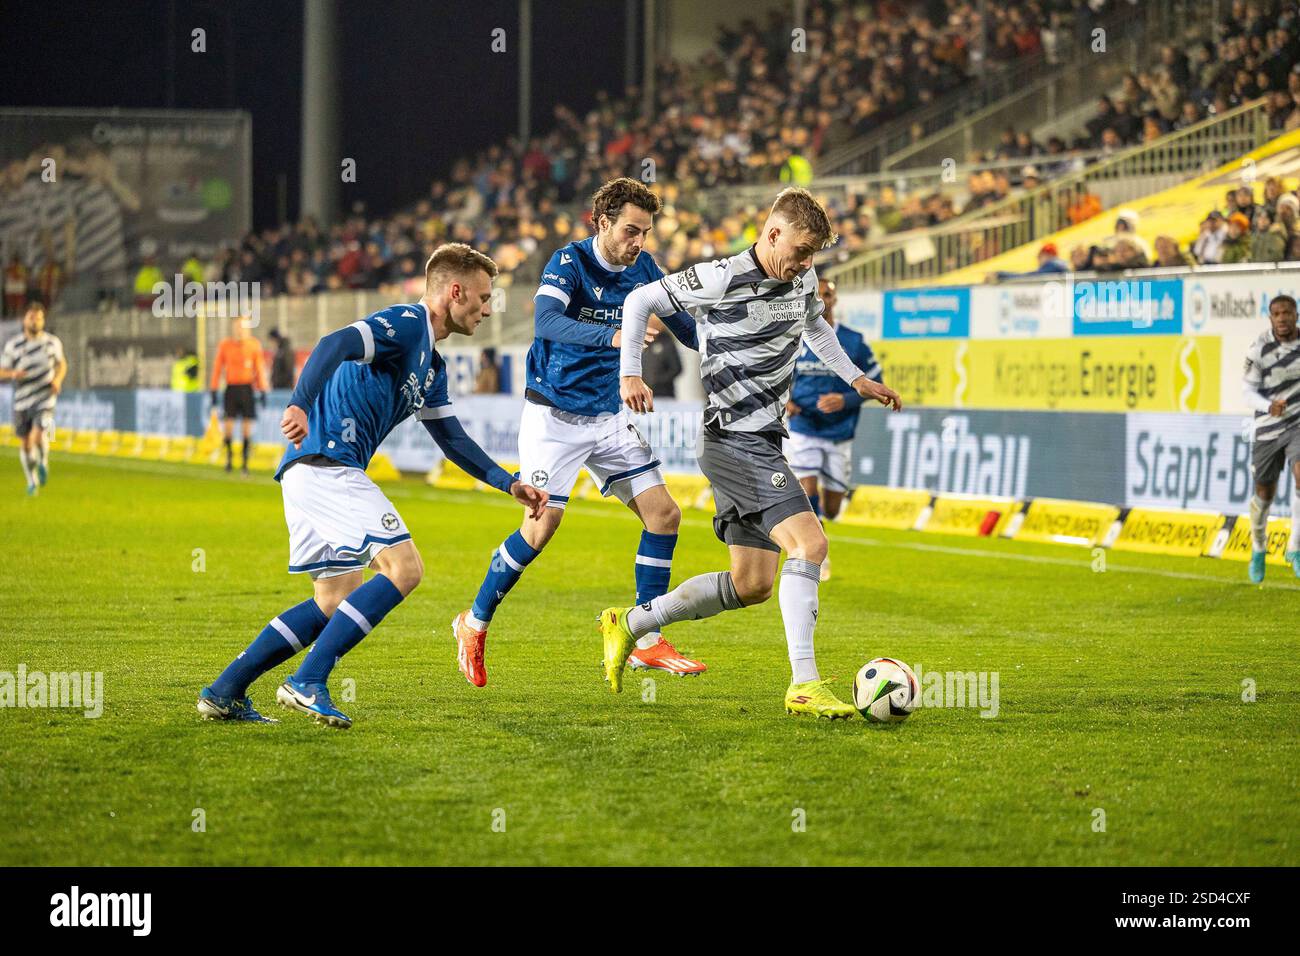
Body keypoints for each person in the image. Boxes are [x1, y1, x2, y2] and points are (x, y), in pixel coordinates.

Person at [196, 243, 547, 727]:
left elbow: (451, 439)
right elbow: (334, 344)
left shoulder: (433, 366)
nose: (488, 310)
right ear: (455, 291)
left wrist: (508, 483)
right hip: (328, 465)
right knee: (404, 568)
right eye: (483, 299)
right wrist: (300, 403)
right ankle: (307, 680)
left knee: (334, 599)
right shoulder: (407, 323)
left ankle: (225, 690)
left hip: (310, 471)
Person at [601, 187, 902, 719]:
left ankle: (630, 623)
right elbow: (639, 299)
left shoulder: (802, 278)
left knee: (753, 583)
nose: (806, 264)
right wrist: (630, 371)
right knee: (810, 546)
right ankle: (804, 684)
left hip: (763, 440)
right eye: (801, 251)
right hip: (733, 438)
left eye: (813, 256)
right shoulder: (720, 276)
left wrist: (856, 379)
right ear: (772, 234)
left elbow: (814, 326)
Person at [454, 178, 705, 685]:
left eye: (646, 233)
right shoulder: (568, 263)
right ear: (602, 222)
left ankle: (646, 638)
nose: (638, 243)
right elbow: (545, 322)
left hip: (608, 417)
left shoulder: (645, 268)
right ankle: (473, 623)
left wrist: (734, 347)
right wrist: (613, 335)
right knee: (541, 527)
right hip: (554, 416)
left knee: (664, 515)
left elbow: (685, 328)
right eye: (631, 231)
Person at [784, 277, 882, 581]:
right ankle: (816, 551)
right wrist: (785, 400)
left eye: (827, 295)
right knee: (807, 488)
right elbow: (776, 374)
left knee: (833, 506)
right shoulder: (794, 337)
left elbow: (873, 384)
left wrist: (845, 399)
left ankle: (819, 529)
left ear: (835, 300)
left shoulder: (853, 341)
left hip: (839, 433)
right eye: (818, 294)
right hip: (803, 427)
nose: (823, 300)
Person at [1243, 294, 1300, 583]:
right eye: (1276, 314)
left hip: (1297, 423)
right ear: (1270, 318)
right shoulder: (1259, 348)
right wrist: (1268, 406)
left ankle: (1295, 547)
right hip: (1267, 426)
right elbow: (1247, 391)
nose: (1282, 318)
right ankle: (1258, 547)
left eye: (1286, 313)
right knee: (1264, 494)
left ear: (1296, 314)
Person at [0, 303, 66, 495]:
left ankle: (43, 461)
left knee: (39, 434)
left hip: (45, 397)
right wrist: (13, 374)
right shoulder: (14, 346)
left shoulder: (52, 343)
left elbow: (62, 364)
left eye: (38, 318)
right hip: (22, 400)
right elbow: (2, 371)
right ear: (24, 320)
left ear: (43, 321)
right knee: (26, 444)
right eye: (31, 317)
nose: (35, 321)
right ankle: (31, 480)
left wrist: (58, 379)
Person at [209, 316, 268, 474]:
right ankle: (229, 459)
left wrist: (262, 390)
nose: (241, 330)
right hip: (231, 389)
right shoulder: (225, 345)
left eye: (243, 327)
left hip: (247, 389)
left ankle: (245, 464)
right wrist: (213, 389)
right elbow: (217, 368)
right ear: (234, 328)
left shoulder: (254, 345)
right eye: (238, 327)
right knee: (228, 427)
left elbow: (260, 368)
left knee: (246, 429)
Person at [640, 333, 683, 398]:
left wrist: (659, 381)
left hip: (664, 394)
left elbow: (676, 368)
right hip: (644, 394)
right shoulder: (640, 344)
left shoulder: (667, 343)